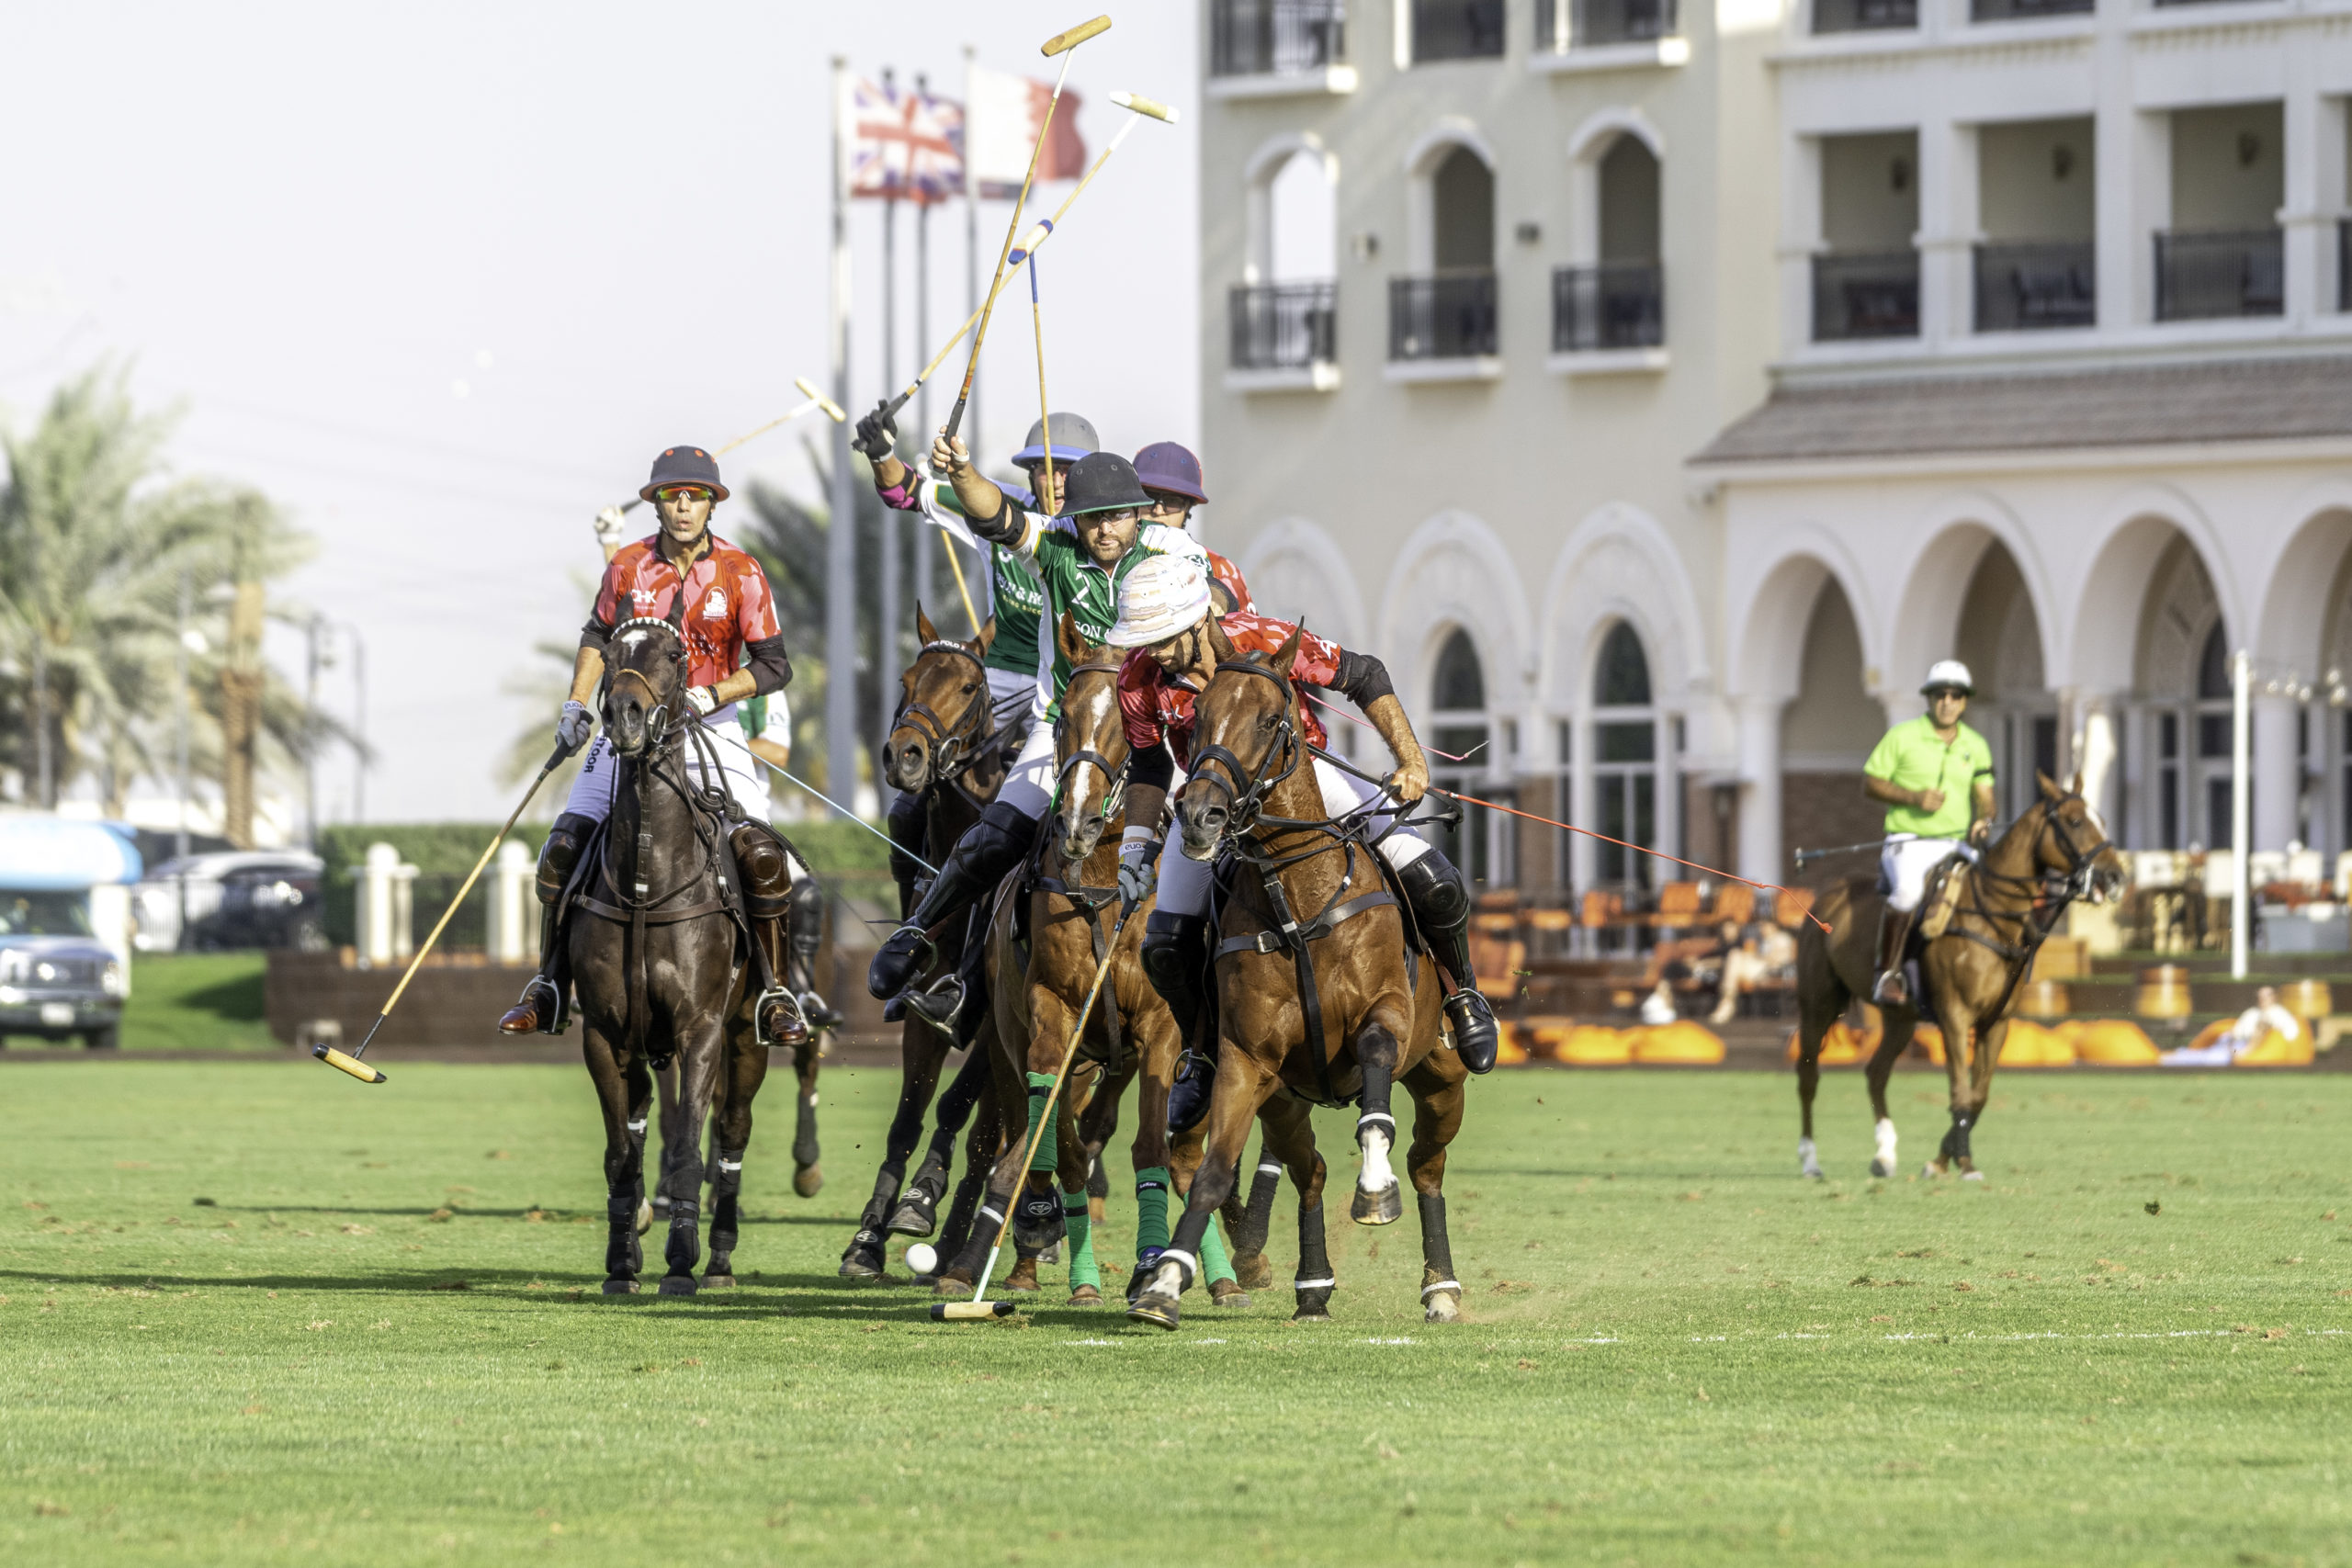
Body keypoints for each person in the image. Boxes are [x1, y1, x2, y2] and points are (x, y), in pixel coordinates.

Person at [1100, 551, 1501, 1130]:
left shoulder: (1263, 637)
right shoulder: (1138, 677)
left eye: (1162, 636)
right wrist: (1137, 845)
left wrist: (1411, 760)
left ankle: (1464, 995)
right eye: (1143, 638)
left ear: (1195, 620)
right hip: (1212, 804)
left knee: (1432, 879)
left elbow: (1365, 674)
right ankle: (1204, 1055)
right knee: (1164, 943)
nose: (1152, 650)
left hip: (1301, 782)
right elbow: (1146, 767)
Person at [859, 434, 1223, 1019]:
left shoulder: (1170, 547)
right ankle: (917, 933)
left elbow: (1216, 605)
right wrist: (965, 471)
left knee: (1213, 840)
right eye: (1090, 520)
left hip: (1158, 729)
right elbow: (996, 515)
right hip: (1066, 726)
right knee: (1000, 830)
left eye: (1115, 517)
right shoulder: (1056, 543)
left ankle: (1217, 1016)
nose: (1102, 530)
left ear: (1136, 513)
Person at [496, 445, 805, 1047]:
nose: (683, 505)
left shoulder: (741, 571)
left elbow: (773, 664)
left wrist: (710, 696)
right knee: (562, 846)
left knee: (764, 855)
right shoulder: (629, 566)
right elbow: (596, 631)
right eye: (672, 495)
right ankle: (549, 984)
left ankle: (774, 992)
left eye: (695, 495)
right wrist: (576, 703)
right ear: (657, 503)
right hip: (628, 728)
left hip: (709, 727)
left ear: (712, 502)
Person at [856, 405, 1093, 922]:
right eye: (1041, 468)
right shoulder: (998, 512)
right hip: (1006, 676)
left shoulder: (1102, 537)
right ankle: (912, 929)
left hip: (1073, 685)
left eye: (1064, 469)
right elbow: (906, 493)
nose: (1052, 479)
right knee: (911, 803)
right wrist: (881, 454)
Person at [1861, 660, 1995, 1006]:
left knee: (1993, 892)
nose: (1947, 702)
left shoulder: (1976, 744)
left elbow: (1985, 796)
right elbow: (1871, 783)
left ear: (1964, 701)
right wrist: (1913, 797)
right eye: (1940, 695)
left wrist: (1985, 819)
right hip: (1908, 841)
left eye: (1955, 695)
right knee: (1906, 895)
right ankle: (1887, 974)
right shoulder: (1901, 736)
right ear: (1929, 699)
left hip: (1956, 845)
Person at [2162, 986, 2301, 1066]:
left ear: (2273, 997)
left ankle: (2173, 1058)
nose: (2262, 999)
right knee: (2210, 1053)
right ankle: (2177, 1055)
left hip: (2248, 1047)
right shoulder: (2252, 1013)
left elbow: (2291, 1034)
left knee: (2212, 1058)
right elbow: (2237, 1031)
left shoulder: (2280, 1015)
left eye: (2266, 996)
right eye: (2260, 996)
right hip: (2235, 1043)